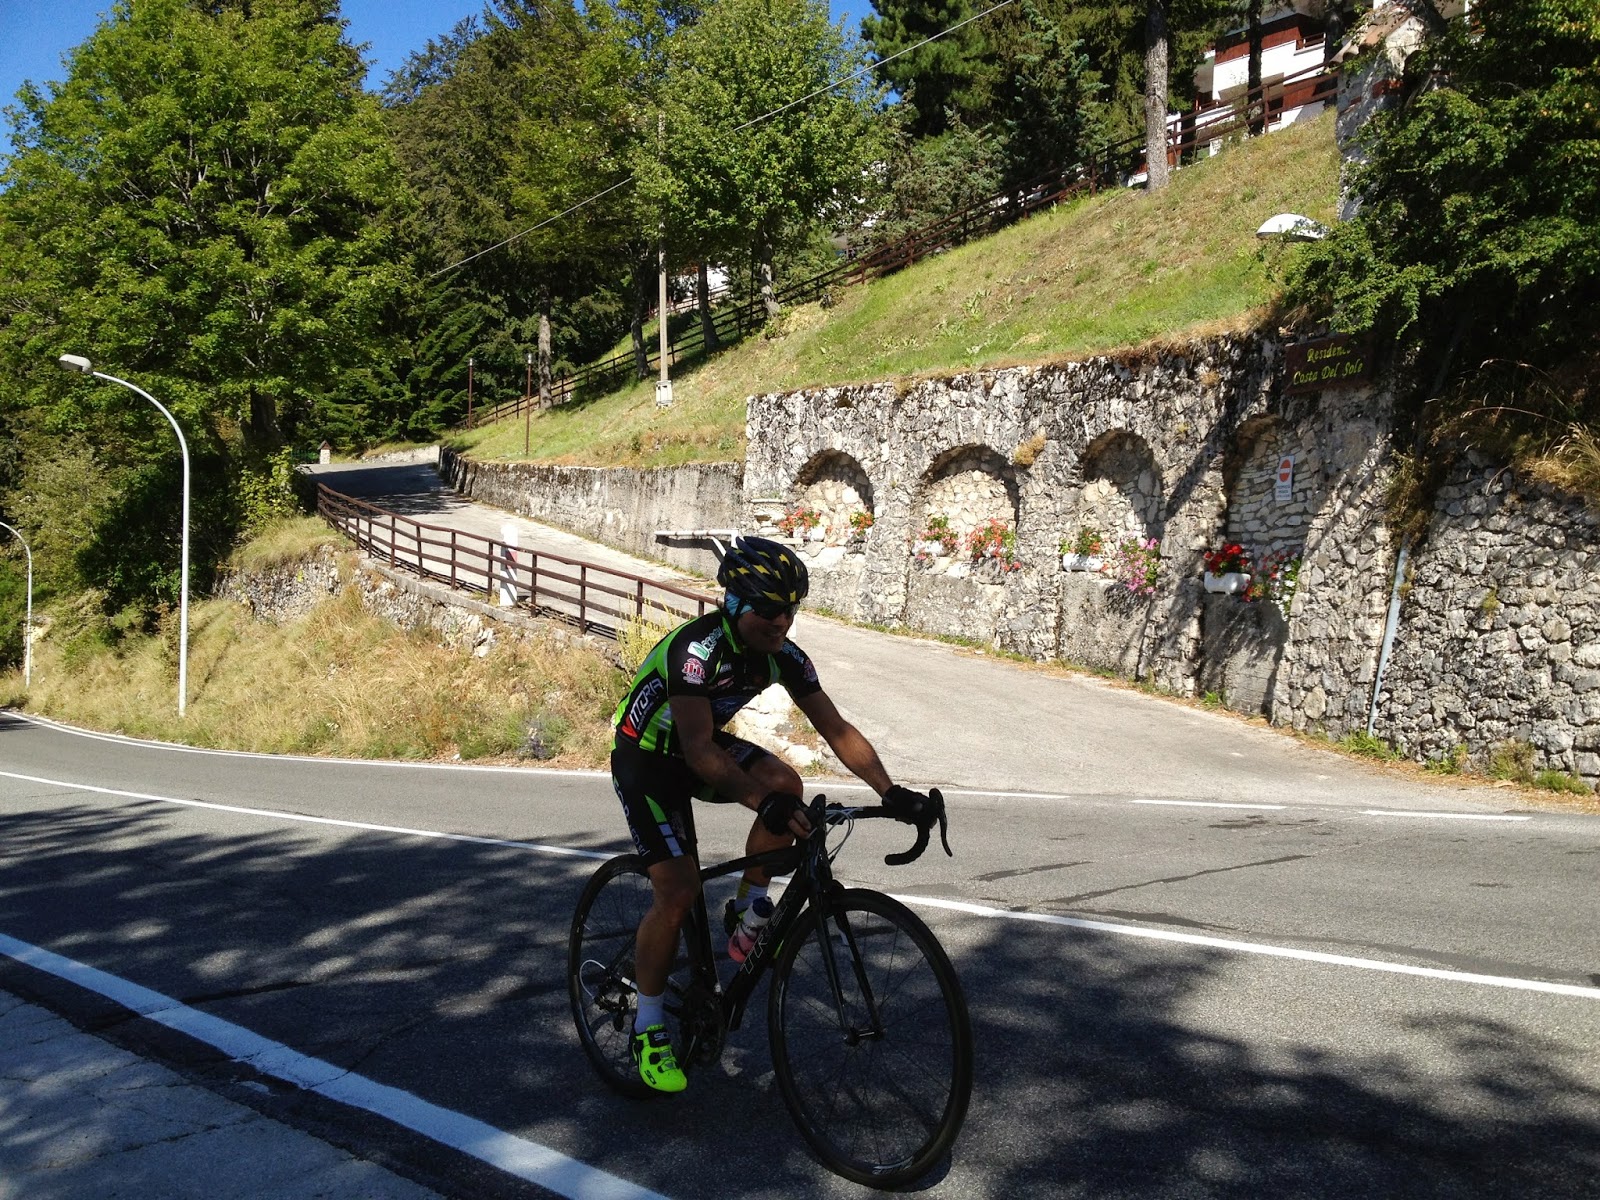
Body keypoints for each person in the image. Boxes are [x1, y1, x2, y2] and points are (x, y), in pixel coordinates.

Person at [609, 534, 939, 1093]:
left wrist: (890, 791)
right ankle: (648, 1025)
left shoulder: (784, 657)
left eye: (790, 610)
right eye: (768, 609)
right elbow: (696, 750)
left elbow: (835, 730)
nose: (781, 621)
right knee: (678, 891)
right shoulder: (695, 652)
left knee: (787, 780)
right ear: (734, 604)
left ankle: (745, 906)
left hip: (701, 751)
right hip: (648, 760)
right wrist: (764, 803)